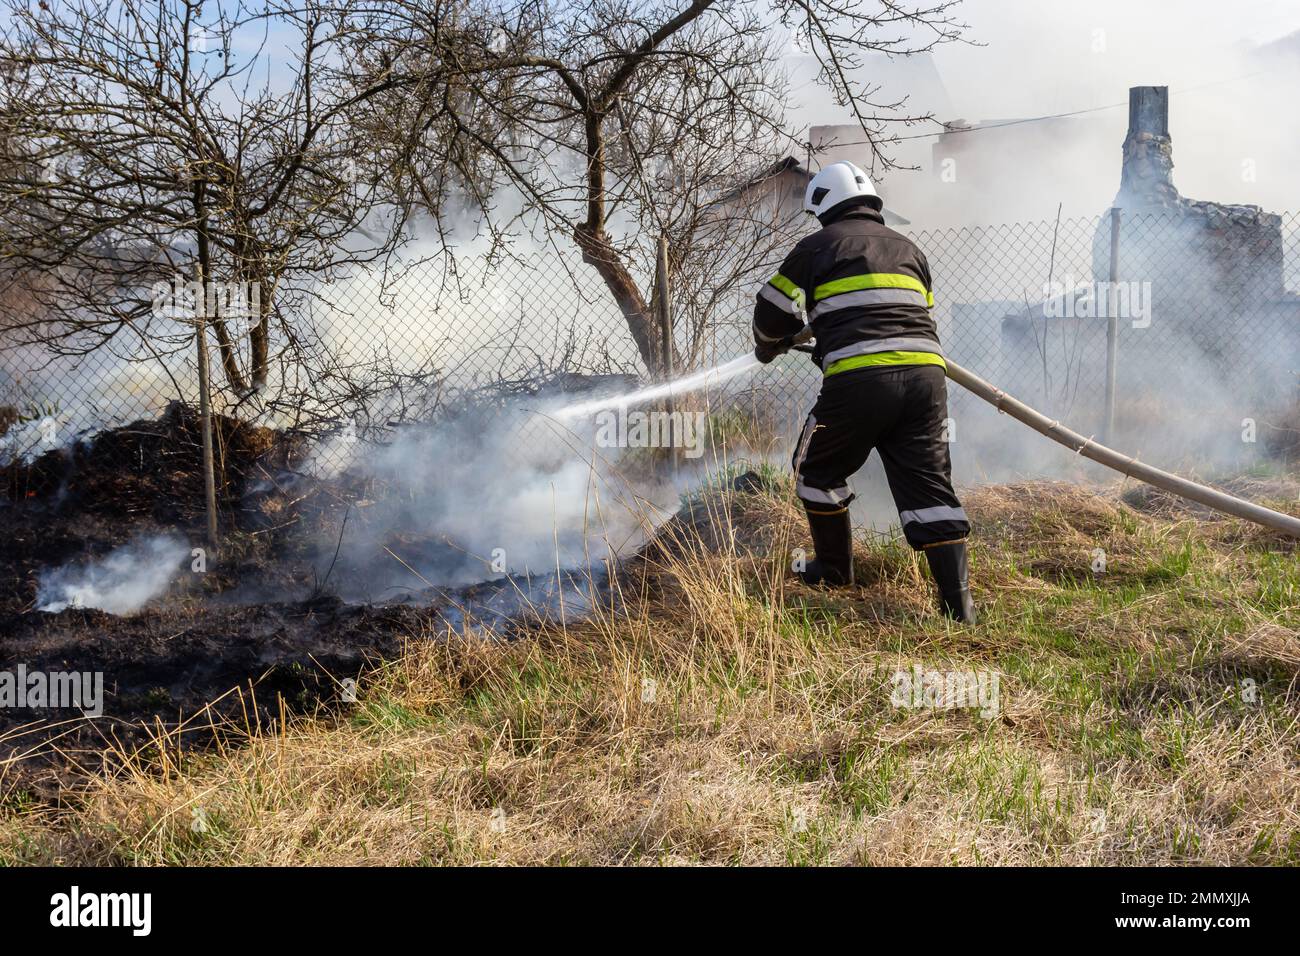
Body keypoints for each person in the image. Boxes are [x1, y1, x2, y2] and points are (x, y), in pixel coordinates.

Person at [752, 160, 975, 622]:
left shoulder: (817, 246)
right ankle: (960, 608)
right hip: (926, 382)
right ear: (871, 202)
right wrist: (834, 339)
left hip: (860, 381)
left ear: (821, 206)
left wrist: (768, 346)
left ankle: (834, 571)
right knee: (931, 488)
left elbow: (771, 314)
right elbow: (902, 315)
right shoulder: (910, 248)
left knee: (815, 471)